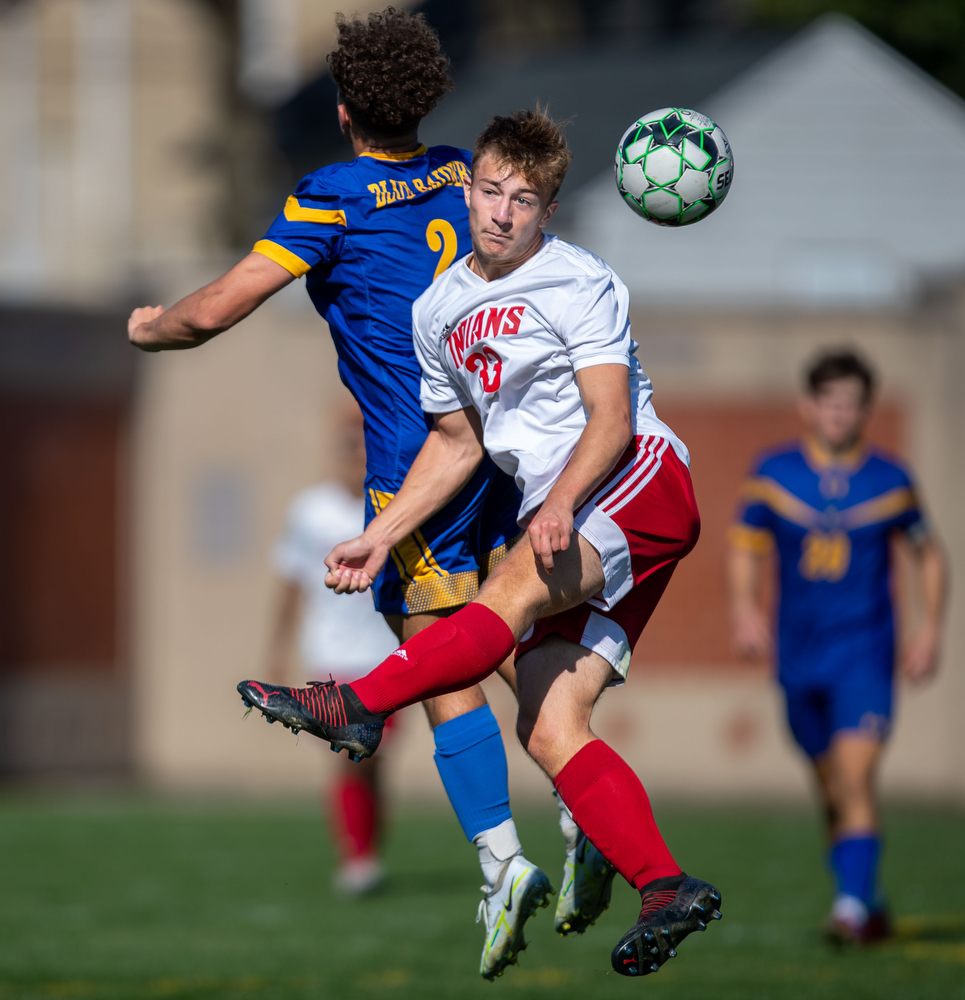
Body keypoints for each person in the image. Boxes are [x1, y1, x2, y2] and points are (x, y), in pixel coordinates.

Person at [127, 8, 610, 979]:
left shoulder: (329, 197)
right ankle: (580, 804)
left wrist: (153, 326)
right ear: (427, 99)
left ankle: (505, 860)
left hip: (419, 462)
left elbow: (217, 309)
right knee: (495, 633)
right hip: (508, 448)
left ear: (341, 110)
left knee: (440, 658)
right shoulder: (453, 173)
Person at [238, 107, 723, 979]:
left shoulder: (579, 281)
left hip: (636, 484)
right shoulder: (440, 306)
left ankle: (359, 706)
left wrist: (562, 500)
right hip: (579, 509)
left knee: (505, 588)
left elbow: (612, 420)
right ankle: (664, 884)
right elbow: (457, 443)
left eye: (524, 199)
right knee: (547, 722)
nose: (502, 213)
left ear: (548, 209)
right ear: (470, 188)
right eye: (491, 191)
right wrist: (381, 535)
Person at [726, 349, 947, 944]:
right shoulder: (774, 474)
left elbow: (929, 554)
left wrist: (929, 630)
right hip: (798, 657)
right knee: (830, 788)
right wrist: (745, 609)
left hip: (865, 655)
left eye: (850, 403)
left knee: (854, 777)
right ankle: (866, 899)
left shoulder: (892, 480)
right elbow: (745, 544)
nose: (839, 413)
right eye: (829, 401)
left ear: (866, 409)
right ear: (809, 405)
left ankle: (848, 908)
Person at [267, 405, 400, 894]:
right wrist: (277, 649)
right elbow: (291, 583)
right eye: (349, 443)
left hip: (387, 652)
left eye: (364, 442)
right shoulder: (310, 510)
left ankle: (370, 850)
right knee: (349, 751)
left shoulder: (395, 506)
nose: (357, 452)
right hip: (331, 654)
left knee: (375, 760)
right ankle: (357, 859)